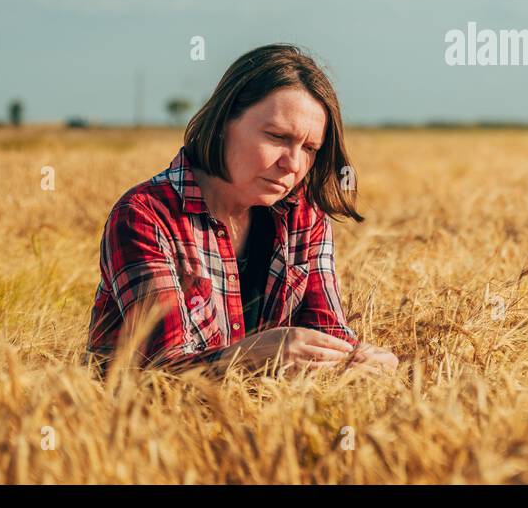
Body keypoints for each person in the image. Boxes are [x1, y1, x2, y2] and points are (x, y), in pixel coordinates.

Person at [86, 43, 397, 376]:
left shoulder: (305, 217)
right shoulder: (145, 217)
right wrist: (246, 357)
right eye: (277, 136)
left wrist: (364, 364)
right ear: (223, 122)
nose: (292, 164)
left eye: (309, 148)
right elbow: (161, 375)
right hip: (140, 424)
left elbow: (328, 337)